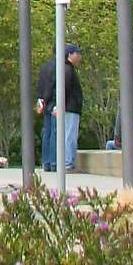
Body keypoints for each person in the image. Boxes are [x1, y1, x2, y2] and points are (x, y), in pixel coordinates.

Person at [41, 44, 83, 172]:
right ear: (70, 54)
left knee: (49, 133)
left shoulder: (48, 67)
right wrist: (57, 105)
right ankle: (65, 163)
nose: (80, 56)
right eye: (77, 53)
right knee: (66, 135)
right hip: (67, 107)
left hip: (52, 104)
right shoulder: (67, 70)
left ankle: (48, 162)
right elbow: (63, 89)